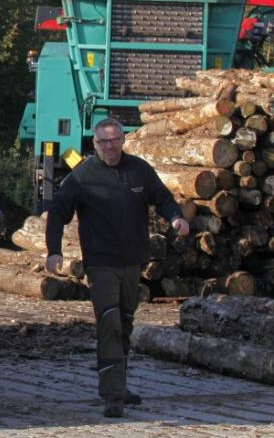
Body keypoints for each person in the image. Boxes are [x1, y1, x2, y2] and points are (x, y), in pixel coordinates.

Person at [46, 118, 190, 418]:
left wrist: (176, 217)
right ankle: (112, 396)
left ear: (123, 140)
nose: (109, 146)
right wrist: (54, 251)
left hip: (132, 261)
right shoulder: (82, 176)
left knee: (124, 322)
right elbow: (58, 212)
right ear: (94, 143)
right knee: (109, 321)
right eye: (103, 142)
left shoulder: (139, 169)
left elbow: (162, 197)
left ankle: (119, 385)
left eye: (114, 140)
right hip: (100, 263)